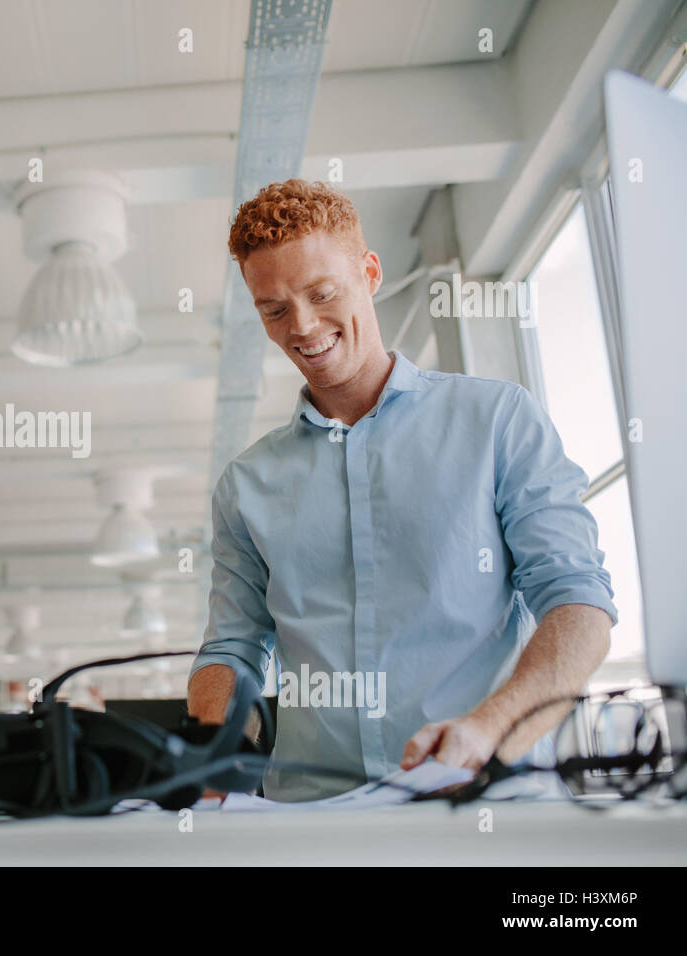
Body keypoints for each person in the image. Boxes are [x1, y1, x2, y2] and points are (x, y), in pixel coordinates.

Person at [187, 180, 616, 801]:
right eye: (273, 309)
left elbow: (578, 603)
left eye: (321, 293)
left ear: (370, 272)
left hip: (484, 801)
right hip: (315, 819)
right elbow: (233, 648)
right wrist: (210, 756)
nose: (302, 327)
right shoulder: (247, 486)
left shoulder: (496, 420)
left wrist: (488, 731)